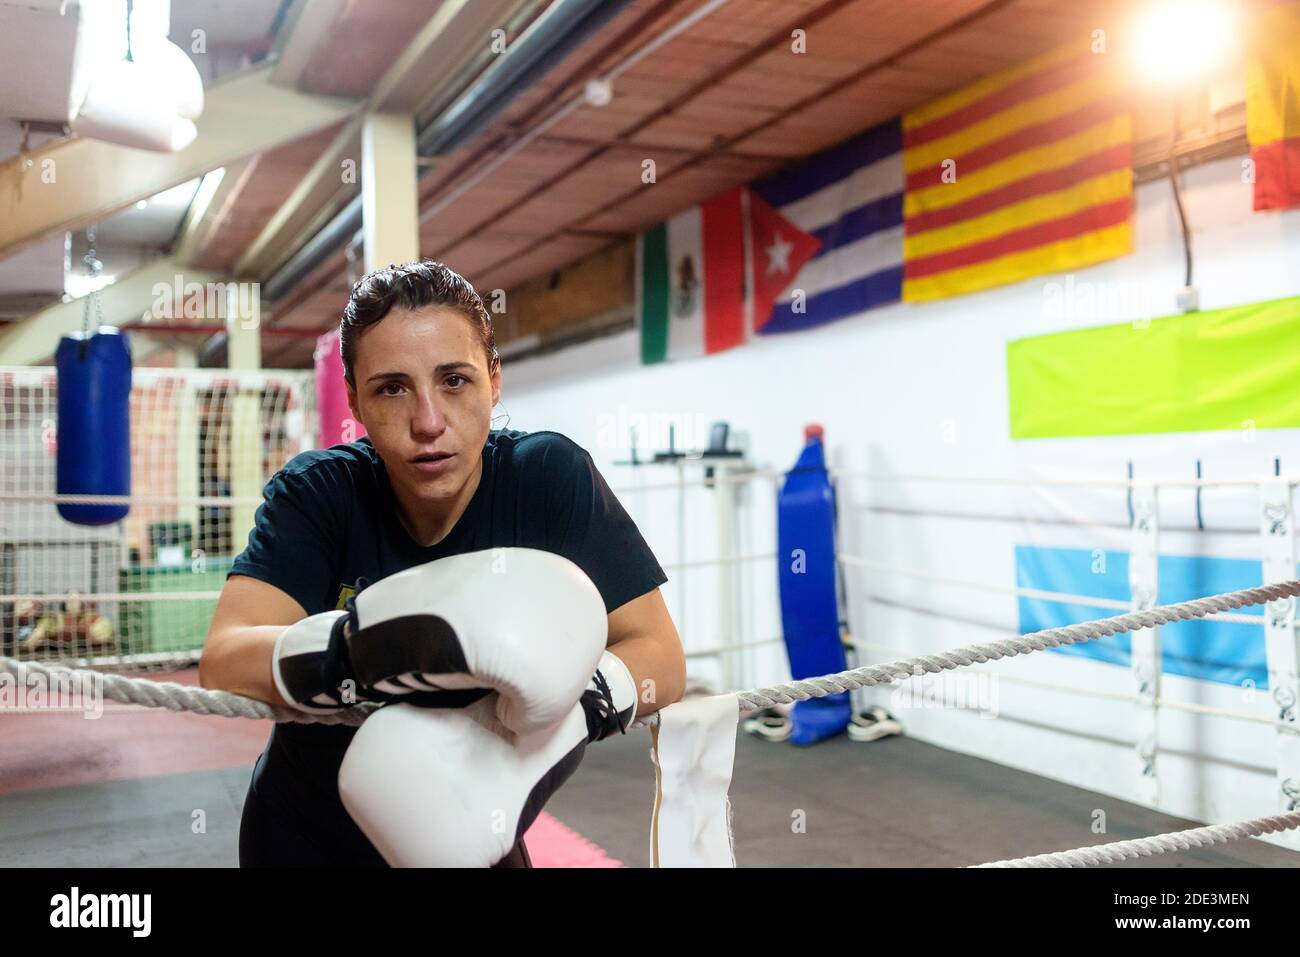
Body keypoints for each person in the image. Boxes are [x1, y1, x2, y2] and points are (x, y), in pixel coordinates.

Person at [199, 260, 686, 867]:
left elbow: (660, 657)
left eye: (454, 380)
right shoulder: (320, 494)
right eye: (392, 387)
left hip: (478, 823)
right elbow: (223, 658)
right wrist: (366, 650)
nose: (428, 422)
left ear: (493, 379)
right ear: (353, 397)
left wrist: (567, 719)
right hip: (308, 836)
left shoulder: (546, 480)